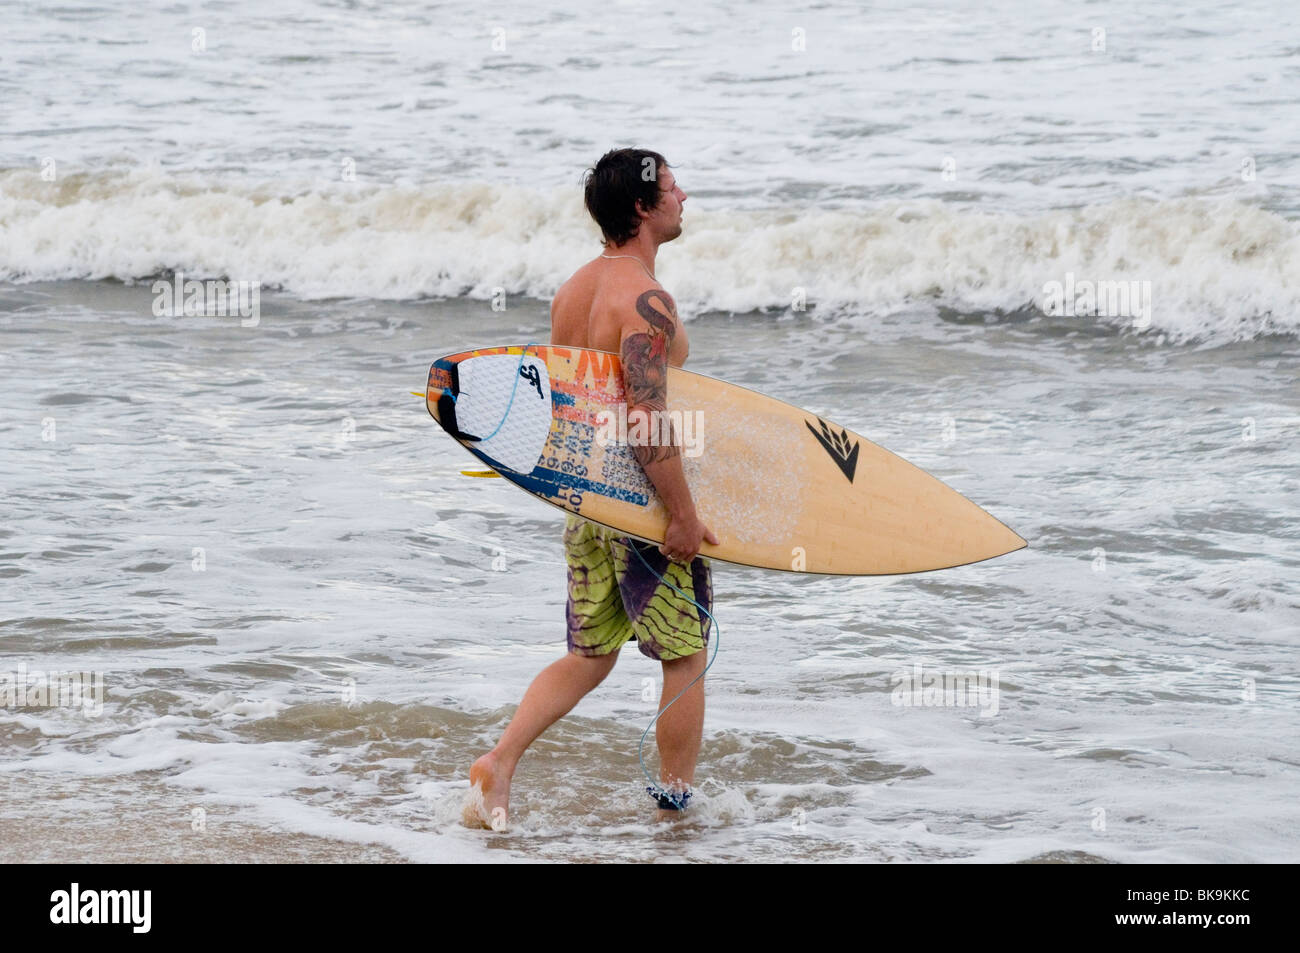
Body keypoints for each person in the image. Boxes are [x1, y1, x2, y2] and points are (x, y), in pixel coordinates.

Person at [463, 148, 718, 830]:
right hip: (640, 507)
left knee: (589, 655)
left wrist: (574, 498)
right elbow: (644, 414)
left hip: (586, 501)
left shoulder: (572, 291)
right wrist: (684, 516)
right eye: (670, 186)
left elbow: (565, 408)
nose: (683, 196)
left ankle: (500, 760)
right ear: (642, 206)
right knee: (685, 654)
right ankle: (675, 810)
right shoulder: (645, 299)